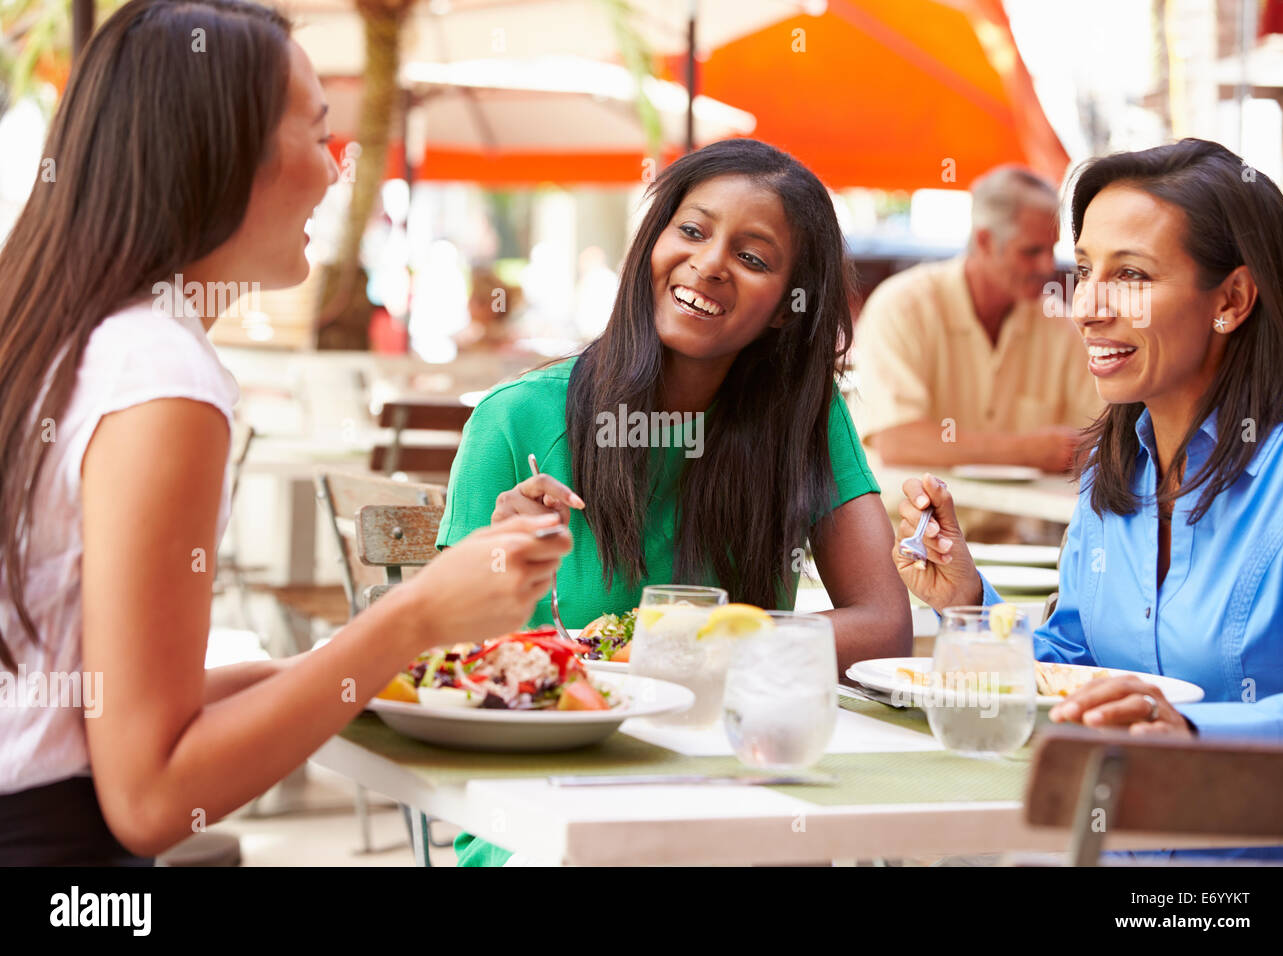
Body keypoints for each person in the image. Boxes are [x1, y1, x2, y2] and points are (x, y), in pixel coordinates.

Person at [0, 0, 569, 865]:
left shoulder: (64, 333)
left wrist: (355, 656)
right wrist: (414, 615)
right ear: (224, 157)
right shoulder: (162, 374)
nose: (339, 168)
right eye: (316, 134)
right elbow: (153, 796)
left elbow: (87, 707)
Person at [437, 138, 913, 865]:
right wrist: (494, 573)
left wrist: (686, 644)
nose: (711, 262)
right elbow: (440, 662)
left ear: (788, 309)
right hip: (550, 810)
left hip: (742, 797)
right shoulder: (516, 419)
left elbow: (882, 627)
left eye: (752, 258)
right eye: (691, 230)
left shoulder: (805, 420)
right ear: (653, 242)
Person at [894, 139, 1283, 859]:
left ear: (1231, 300)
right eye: (1084, 271)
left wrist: (1198, 736)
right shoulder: (1115, 473)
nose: (1086, 307)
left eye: (1131, 275)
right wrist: (972, 600)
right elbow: (1077, 664)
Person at [852, 166, 1102, 476]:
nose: (1047, 265)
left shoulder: (1060, 326)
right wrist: (1028, 451)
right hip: (909, 523)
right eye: (1032, 251)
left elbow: (1100, 436)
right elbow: (898, 440)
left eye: (1051, 249)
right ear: (984, 241)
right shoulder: (903, 307)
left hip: (1015, 525)